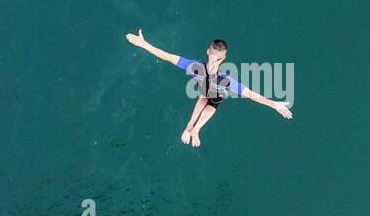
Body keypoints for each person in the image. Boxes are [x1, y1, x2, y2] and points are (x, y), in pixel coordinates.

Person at [125, 29, 292, 146]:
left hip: (210, 92)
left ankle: (192, 128)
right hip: (210, 93)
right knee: (208, 101)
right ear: (224, 57)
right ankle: (193, 128)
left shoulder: (197, 67)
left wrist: (144, 45)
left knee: (207, 100)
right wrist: (143, 44)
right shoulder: (219, 77)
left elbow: (168, 57)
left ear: (208, 51)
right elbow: (250, 94)